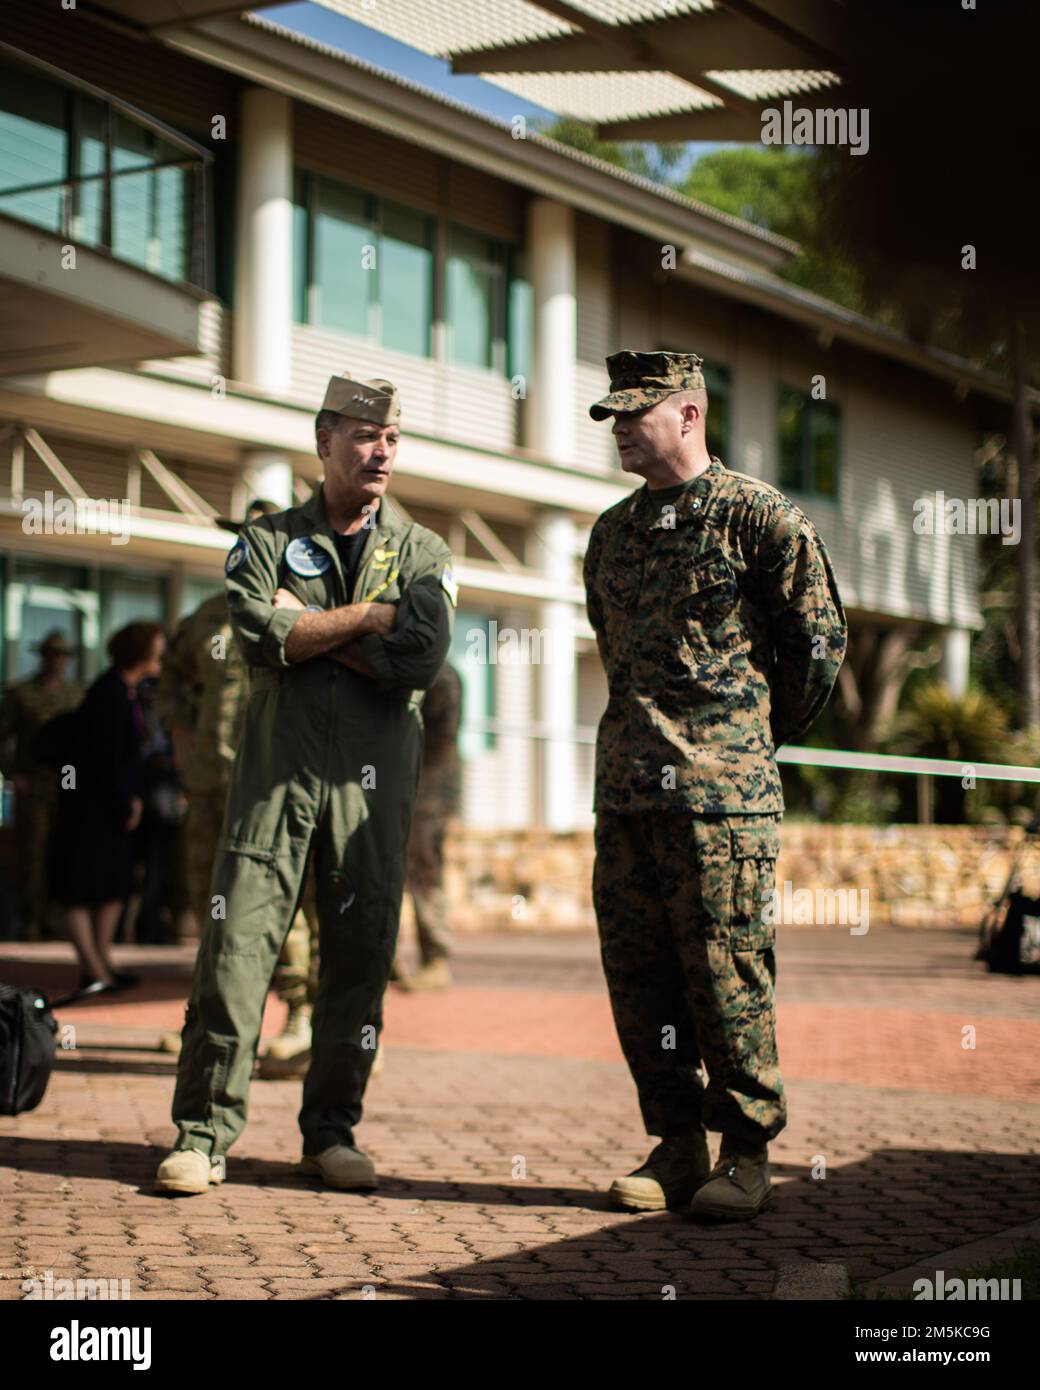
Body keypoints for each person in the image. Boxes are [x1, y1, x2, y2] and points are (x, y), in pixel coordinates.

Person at [155, 372, 456, 1196]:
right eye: (364, 436)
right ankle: (203, 1134)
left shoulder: (423, 550)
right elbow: (258, 632)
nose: (380, 451)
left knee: (357, 964)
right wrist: (370, 619)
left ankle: (332, 1133)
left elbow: (420, 659)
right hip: (273, 784)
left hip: (370, 794)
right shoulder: (262, 541)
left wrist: (316, 627)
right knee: (235, 954)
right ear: (324, 442)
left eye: (391, 438)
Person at [583, 350, 846, 1221]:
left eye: (636, 413)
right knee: (640, 978)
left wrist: (745, 746)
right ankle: (675, 1144)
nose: (621, 429)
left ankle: (745, 1149)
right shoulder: (611, 534)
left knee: (726, 973)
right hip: (626, 794)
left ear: (690, 414)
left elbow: (817, 647)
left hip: (720, 799)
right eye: (614, 416)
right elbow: (610, 646)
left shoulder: (759, 518)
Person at [48, 621, 166, 1001]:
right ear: (141, 651)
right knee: (81, 886)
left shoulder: (126, 691)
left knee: (112, 884)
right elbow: (107, 758)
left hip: (103, 807)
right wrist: (126, 799)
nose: (162, 654)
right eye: (157, 646)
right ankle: (93, 968)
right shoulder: (110, 693)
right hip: (91, 809)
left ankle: (101, 963)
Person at [0, 631, 84, 939]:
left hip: (67, 784)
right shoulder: (21, 693)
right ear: (43, 656)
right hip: (33, 783)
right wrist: (13, 773)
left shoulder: (76, 694)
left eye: (62, 655)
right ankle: (30, 919)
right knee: (31, 852)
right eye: (52, 654)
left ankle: (56, 918)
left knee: (62, 852)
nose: (57, 661)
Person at [397, 662, 462, 991]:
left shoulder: (440, 675)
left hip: (429, 793)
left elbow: (441, 738)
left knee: (424, 870)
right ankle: (389, 959)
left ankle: (435, 958)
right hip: (399, 788)